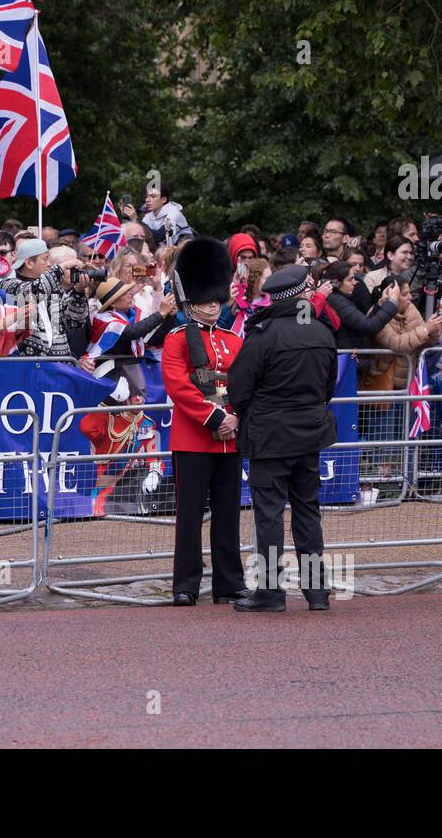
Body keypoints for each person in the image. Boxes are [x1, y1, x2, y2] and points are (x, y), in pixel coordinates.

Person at [225, 264, 338, 612]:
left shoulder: (264, 334)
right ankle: (317, 592)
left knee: (270, 516)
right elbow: (328, 387)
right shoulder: (321, 333)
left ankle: (271, 592)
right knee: (307, 511)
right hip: (309, 433)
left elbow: (239, 388)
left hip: (270, 436)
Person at [159, 237, 248, 606]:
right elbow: (180, 388)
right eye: (207, 300)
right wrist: (217, 419)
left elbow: (245, 382)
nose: (214, 306)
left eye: (217, 300)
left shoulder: (233, 340)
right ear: (192, 301)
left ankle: (229, 582)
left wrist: (237, 416)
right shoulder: (177, 340)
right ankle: (186, 584)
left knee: (229, 514)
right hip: (194, 438)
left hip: (230, 438)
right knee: (190, 515)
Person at [0, 238, 88, 357]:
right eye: (45, 259)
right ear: (29, 263)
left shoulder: (53, 289)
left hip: (58, 365)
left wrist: (78, 292)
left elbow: (74, 322)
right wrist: (62, 266)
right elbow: (33, 293)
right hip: (30, 367)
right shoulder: (9, 285)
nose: (49, 264)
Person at [323, 260, 398, 349]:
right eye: (350, 279)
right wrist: (392, 302)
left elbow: (364, 323)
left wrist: (380, 304)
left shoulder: (340, 299)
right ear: (336, 283)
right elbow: (369, 327)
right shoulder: (337, 301)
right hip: (349, 358)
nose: (355, 282)